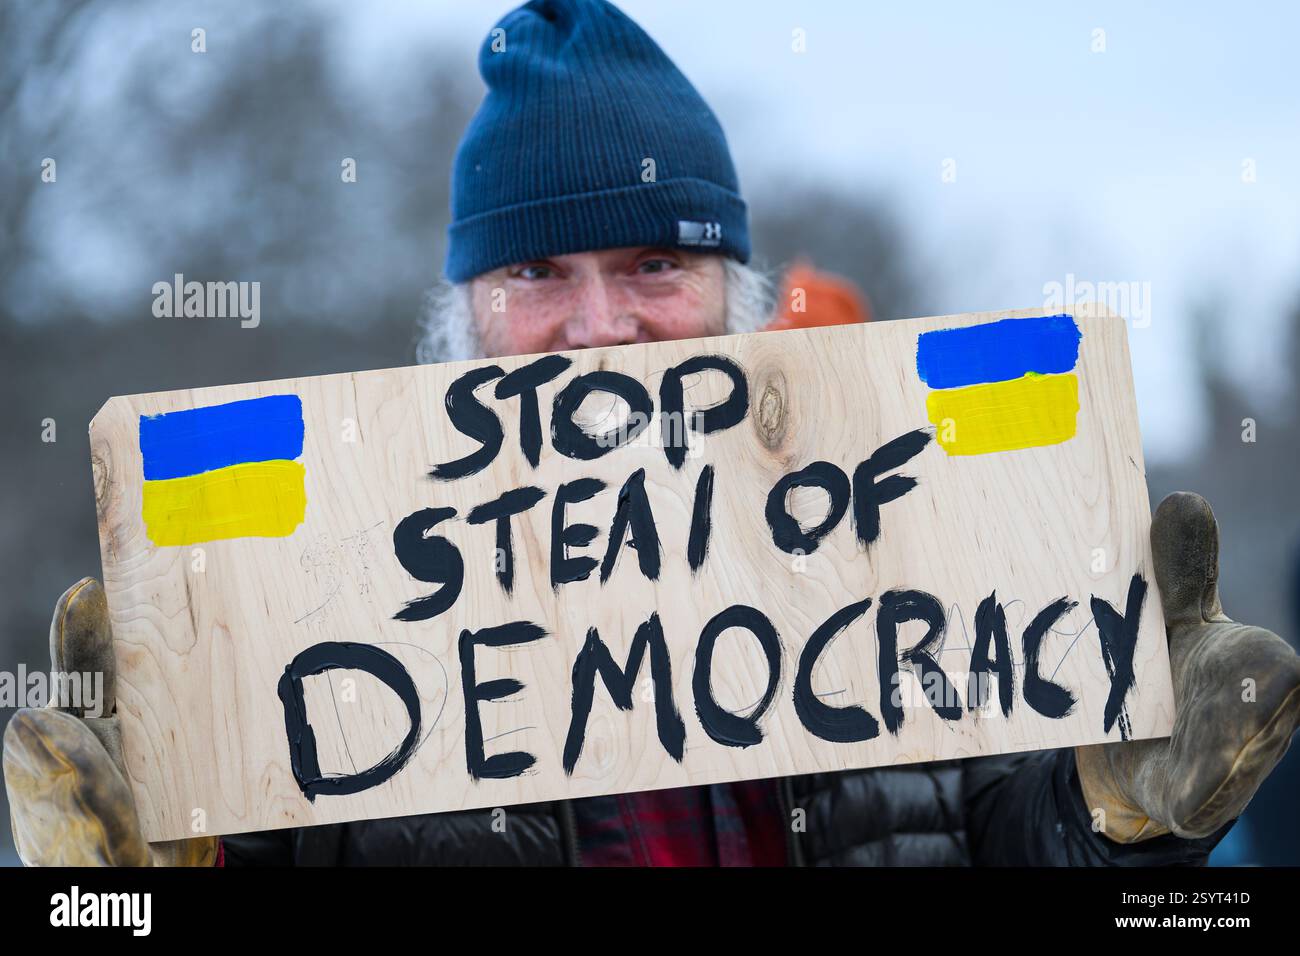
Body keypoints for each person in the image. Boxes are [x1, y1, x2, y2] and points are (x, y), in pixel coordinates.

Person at [6, 0, 1298, 867]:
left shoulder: (900, 550)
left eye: (648, 268)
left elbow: (1023, 837)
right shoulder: (313, 628)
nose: (599, 330)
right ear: (460, 316)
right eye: (536, 277)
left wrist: (1118, 805)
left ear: (734, 301)